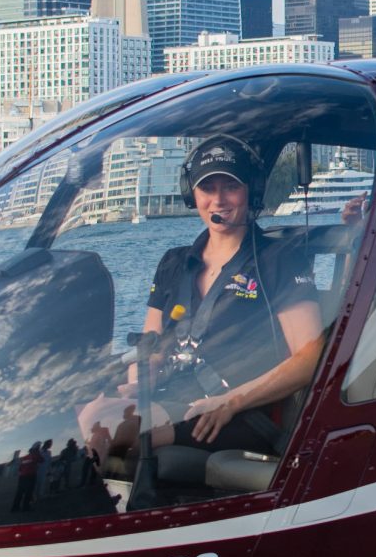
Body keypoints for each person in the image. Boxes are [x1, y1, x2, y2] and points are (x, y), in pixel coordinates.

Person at [82, 136, 324, 466]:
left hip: (237, 413)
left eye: (230, 186)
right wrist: (141, 382)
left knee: (106, 426)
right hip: (175, 398)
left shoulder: (279, 259)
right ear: (191, 194)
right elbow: (152, 347)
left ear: (251, 191)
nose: (218, 200)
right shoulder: (174, 263)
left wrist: (232, 401)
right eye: (207, 188)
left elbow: (311, 356)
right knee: (73, 411)